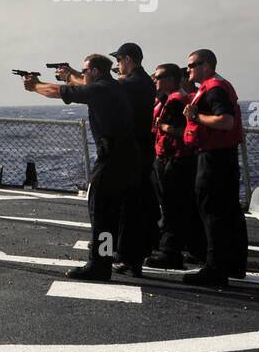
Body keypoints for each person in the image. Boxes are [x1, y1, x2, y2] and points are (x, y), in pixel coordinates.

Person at [25, 54, 137, 280]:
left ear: (95, 72)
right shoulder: (111, 87)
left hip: (111, 159)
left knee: (101, 211)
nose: (82, 74)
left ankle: (99, 265)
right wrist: (70, 77)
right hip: (125, 158)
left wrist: (34, 86)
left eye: (85, 71)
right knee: (110, 213)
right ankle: (104, 260)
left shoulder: (99, 90)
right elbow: (78, 86)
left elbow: (58, 92)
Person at [182, 49, 248, 286]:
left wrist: (196, 117)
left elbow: (226, 121)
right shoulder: (218, 86)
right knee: (229, 212)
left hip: (213, 158)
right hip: (224, 157)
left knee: (212, 212)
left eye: (192, 65)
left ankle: (215, 269)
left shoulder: (214, 88)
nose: (188, 69)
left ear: (206, 65)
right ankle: (235, 264)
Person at [107, 43, 160, 276]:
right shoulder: (142, 81)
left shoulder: (137, 82)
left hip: (135, 154)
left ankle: (130, 257)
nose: (118, 65)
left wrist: (77, 79)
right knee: (139, 204)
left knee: (130, 208)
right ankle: (138, 252)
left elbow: (107, 90)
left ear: (128, 58)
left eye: (119, 60)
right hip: (141, 152)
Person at [144, 63, 203, 270]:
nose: (155, 81)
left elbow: (181, 130)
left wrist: (162, 126)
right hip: (175, 158)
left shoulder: (176, 100)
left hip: (174, 158)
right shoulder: (175, 99)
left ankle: (170, 253)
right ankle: (174, 248)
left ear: (170, 79)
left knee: (172, 207)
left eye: (158, 77)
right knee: (175, 207)